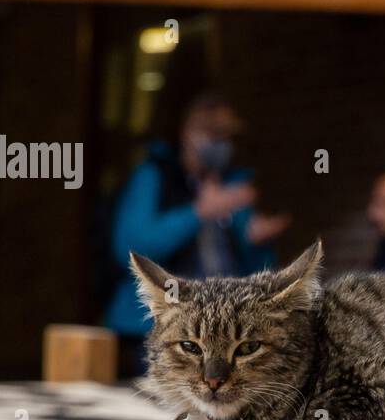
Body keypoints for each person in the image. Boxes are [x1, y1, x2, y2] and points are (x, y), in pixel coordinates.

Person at [104, 92, 290, 372]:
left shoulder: (232, 183)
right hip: (160, 327)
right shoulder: (155, 175)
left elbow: (245, 268)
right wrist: (199, 212)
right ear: (187, 133)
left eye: (227, 136)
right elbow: (130, 247)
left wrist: (255, 241)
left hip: (223, 328)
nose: (221, 144)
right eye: (213, 134)